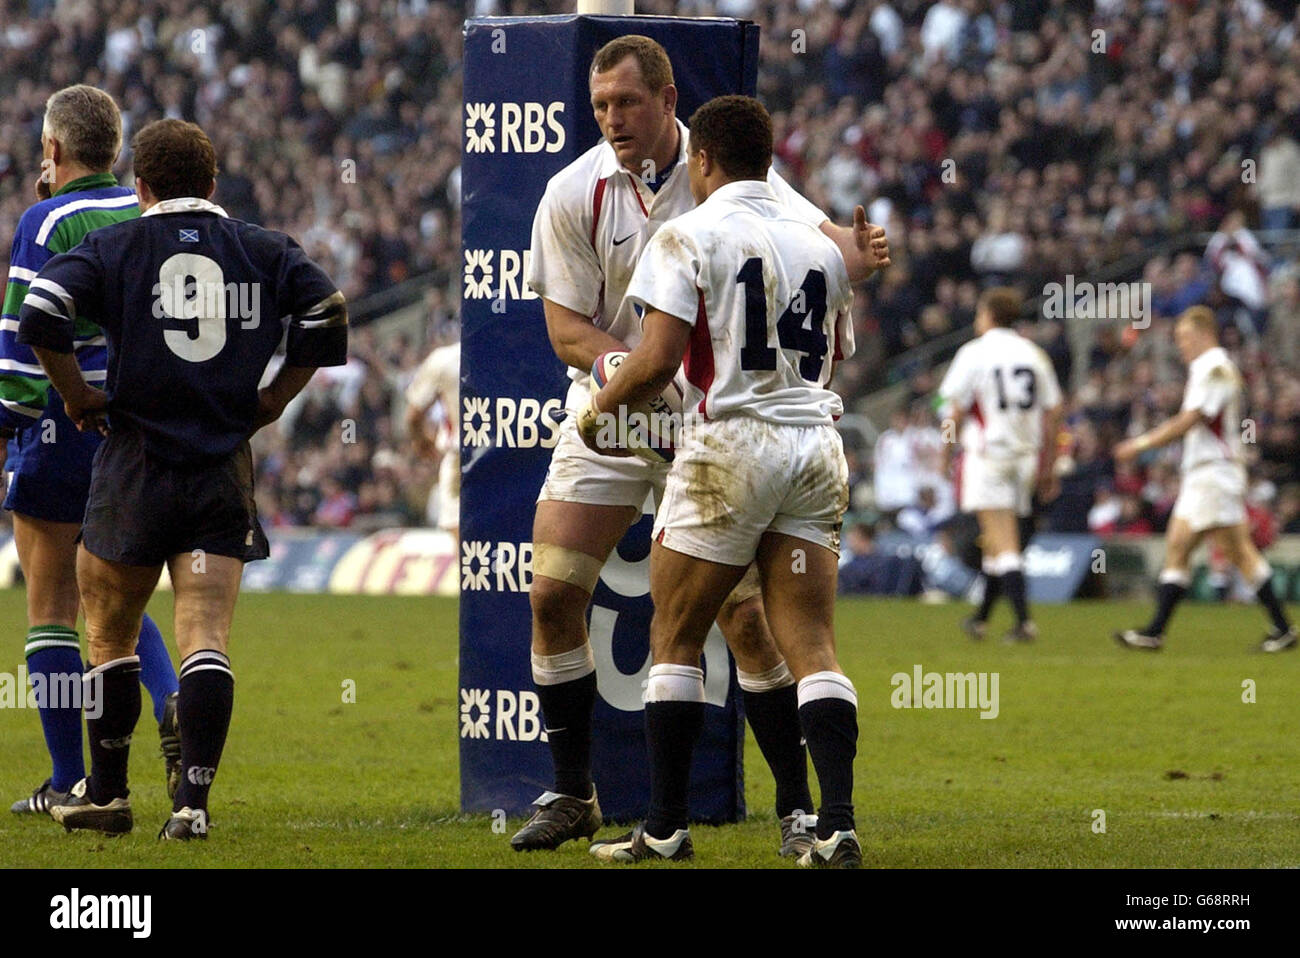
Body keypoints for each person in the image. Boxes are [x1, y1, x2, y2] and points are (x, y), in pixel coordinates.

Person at [515, 35, 890, 856]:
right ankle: (575, 792)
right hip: (625, 412)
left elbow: (829, 242)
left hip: (715, 426)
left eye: (628, 103)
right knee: (551, 593)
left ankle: (787, 808)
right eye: (602, 104)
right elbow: (563, 327)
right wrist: (619, 374)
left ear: (670, 101)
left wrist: (862, 251)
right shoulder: (570, 193)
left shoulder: (730, 179)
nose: (613, 118)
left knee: (746, 623)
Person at [18, 117, 348, 838]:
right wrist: (274, 398)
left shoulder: (115, 245)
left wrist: (74, 395)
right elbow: (327, 311)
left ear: (139, 187)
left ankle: (106, 797)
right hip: (220, 467)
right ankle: (193, 807)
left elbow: (40, 310)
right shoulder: (264, 249)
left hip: (134, 463)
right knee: (204, 634)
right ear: (212, 185)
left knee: (109, 634)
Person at [578, 94, 862, 867]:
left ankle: (665, 829)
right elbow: (841, 348)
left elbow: (658, 361)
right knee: (811, 641)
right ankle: (834, 824)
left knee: (675, 633)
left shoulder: (688, 234)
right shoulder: (818, 242)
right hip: (815, 445)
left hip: (731, 446)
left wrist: (599, 405)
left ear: (701, 159)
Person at [2, 85, 180, 817]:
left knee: (52, 606)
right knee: (119, 594)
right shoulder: (144, 212)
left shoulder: (47, 220)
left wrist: (10, 422)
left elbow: (20, 345)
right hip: (137, 435)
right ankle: (173, 704)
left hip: (62, 426)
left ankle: (69, 778)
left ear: (52, 150)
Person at [1114, 306, 1295, 652]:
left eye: (1184, 337)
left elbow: (1193, 419)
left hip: (1214, 472)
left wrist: (1141, 444)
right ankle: (1281, 628)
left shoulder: (1214, 367)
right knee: (1204, 547)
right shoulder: (1208, 367)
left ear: (1203, 332)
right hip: (1207, 472)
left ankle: (1156, 632)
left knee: (1220, 549)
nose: (1180, 345)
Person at [937, 288, 1063, 643]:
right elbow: (1054, 413)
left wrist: (945, 453)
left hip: (990, 455)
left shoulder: (974, 353)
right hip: (1026, 456)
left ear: (988, 314)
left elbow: (954, 412)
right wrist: (1048, 466)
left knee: (1003, 541)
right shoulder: (1034, 354)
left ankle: (1024, 622)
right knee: (994, 541)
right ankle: (980, 619)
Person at [404, 338, 460, 540]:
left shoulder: (445, 359)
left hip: (462, 460)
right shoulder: (515, 352)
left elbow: (413, 417)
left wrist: (421, 442)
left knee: (465, 546)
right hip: (514, 454)